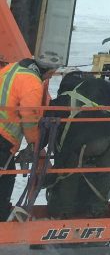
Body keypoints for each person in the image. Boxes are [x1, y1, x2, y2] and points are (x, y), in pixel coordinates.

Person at [46, 70, 110, 219]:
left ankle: (64, 212)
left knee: (68, 173)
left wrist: (36, 148)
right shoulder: (98, 84)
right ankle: (98, 210)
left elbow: (48, 131)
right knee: (104, 172)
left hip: (79, 146)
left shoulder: (61, 100)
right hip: (106, 142)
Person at [0, 53, 61, 219]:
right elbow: (29, 118)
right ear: (47, 71)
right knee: (6, 177)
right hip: (4, 136)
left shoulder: (12, 68)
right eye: (51, 74)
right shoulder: (32, 83)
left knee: (7, 174)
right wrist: (35, 143)